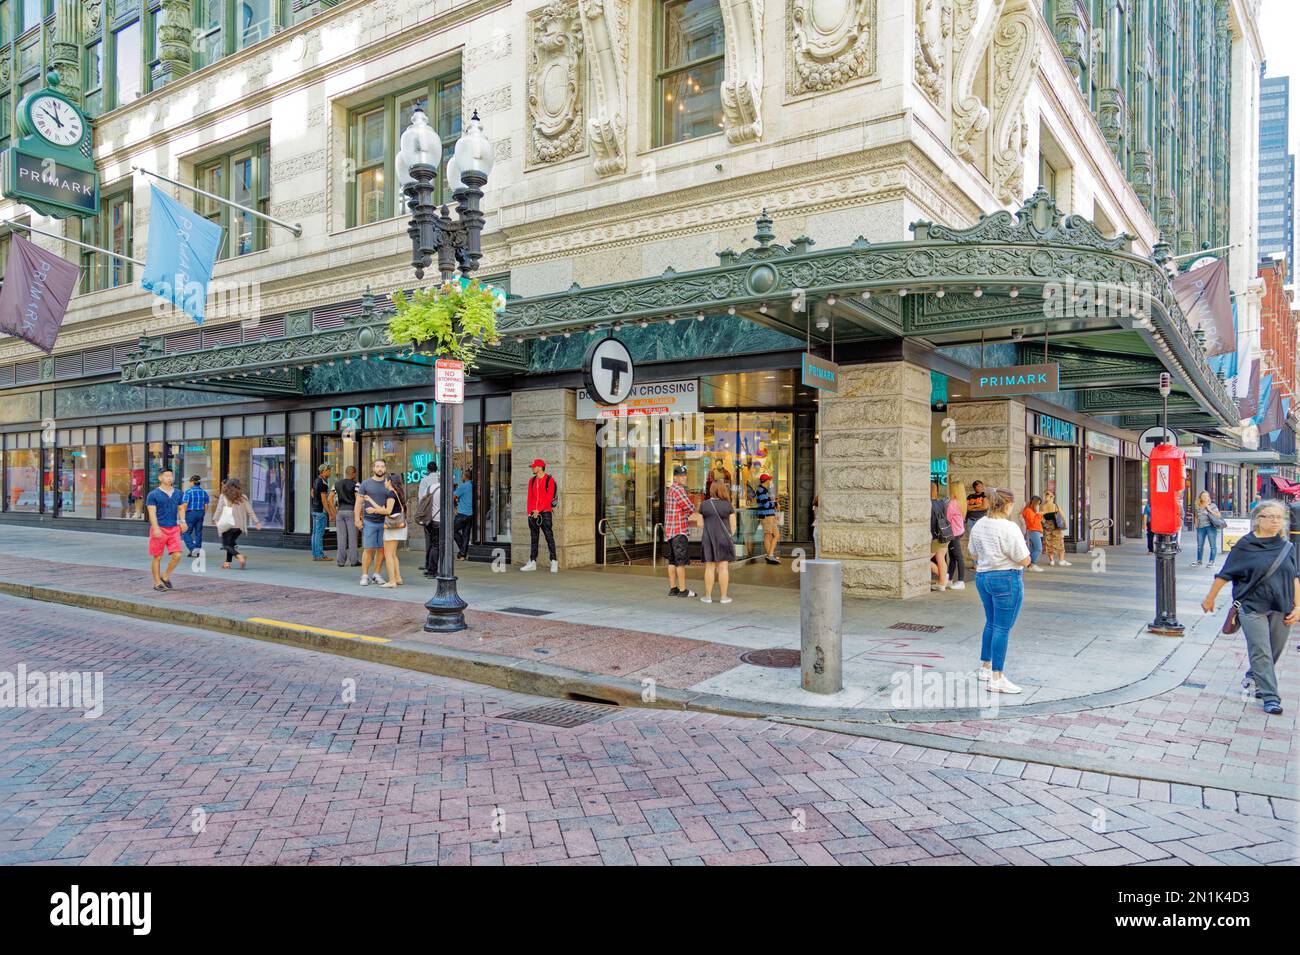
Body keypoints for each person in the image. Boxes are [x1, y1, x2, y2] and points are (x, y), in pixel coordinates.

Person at [1201, 501, 1295, 716]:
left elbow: (1295, 578)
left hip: (1282, 606)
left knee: (1274, 649)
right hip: (1252, 606)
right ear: (1257, 520)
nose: (1274, 521)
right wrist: (1210, 597)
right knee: (1261, 650)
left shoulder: (1287, 547)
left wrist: (1298, 607)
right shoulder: (1245, 545)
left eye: (1278, 517)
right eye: (1268, 516)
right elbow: (1225, 573)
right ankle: (1269, 695)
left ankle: (1255, 676)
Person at [967, 487, 1032, 694]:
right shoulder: (1009, 527)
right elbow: (1024, 559)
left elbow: (974, 555)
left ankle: (985, 667)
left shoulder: (979, 524)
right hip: (1006, 578)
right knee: (1002, 628)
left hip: (983, 577)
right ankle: (997, 677)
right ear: (1008, 504)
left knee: (991, 623)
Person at [146, 468, 186, 592]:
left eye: (171, 476)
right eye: (166, 476)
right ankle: (157, 583)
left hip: (174, 528)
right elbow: (151, 513)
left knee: (177, 555)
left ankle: (165, 576)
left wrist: (183, 521)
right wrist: (156, 528)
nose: (169, 478)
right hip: (159, 528)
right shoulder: (153, 494)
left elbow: (181, 508)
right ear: (160, 478)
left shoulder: (178, 493)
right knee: (157, 556)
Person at [355, 459, 395, 586]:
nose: (380, 469)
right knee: (368, 549)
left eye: (382, 466)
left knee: (382, 550)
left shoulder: (388, 485)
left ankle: (376, 574)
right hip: (369, 522)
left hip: (384, 522)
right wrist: (357, 519)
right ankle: (365, 575)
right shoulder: (365, 484)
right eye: (377, 466)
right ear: (373, 468)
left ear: (385, 469)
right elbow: (358, 503)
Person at [696, 482, 736, 604]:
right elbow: (733, 526)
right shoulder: (728, 505)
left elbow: (699, 524)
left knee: (709, 567)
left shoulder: (704, 505)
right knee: (723, 567)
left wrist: (709, 527)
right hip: (723, 539)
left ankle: (708, 596)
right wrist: (729, 535)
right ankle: (724, 597)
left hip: (708, 538)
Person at [663, 464, 697, 598]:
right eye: (681, 476)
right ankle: (683, 590)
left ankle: (673, 588)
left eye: (684, 476)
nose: (684, 478)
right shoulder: (679, 489)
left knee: (672, 560)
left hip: (670, 531)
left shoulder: (671, 489)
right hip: (679, 530)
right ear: (675, 477)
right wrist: (693, 509)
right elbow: (689, 507)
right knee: (680, 561)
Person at [521, 458, 559, 573]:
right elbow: (530, 498)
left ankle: (554, 561)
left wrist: (539, 509)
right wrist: (530, 512)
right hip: (533, 513)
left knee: (549, 537)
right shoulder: (532, 481)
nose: (532, 468)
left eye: (534, 466)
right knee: (534, 538)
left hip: (545, 512)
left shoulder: (549, 480)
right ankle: (532, 561)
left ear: (540, 467)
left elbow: (548, 498)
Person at [214, 478, 261, 569]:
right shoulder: (243, 497)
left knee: (226, 545)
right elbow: (250, 511)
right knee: (230, 543)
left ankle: (239, 556)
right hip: (239, 527)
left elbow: (219, 509)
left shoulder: (223, 496)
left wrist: (215, 519)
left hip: (228, 525)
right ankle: (227, 563)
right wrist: (257, 522)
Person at [380, 476, 407, 588]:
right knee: (393, 554)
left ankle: (392, 581)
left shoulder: (390, 494)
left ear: (390, 482)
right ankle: (398, 578)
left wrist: (374, 510)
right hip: (399, 526)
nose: (384, 482)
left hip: (392, 528)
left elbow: (388, 511)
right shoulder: (397, 493)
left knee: (388, 555)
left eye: (386, 480)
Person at [416, 460, 441, 578]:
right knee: (438, 544)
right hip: (441, 519)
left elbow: (421, 499)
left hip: (429, 518)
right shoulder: (443, 484)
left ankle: (429, 565)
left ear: (428, 469)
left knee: (430, 543)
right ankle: (435, 568)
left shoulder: (425, 481)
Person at [333, 465, 360, 568]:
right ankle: (354, 561)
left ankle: (340, 561)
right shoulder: (356, 484)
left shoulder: (337, 484)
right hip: (351, 511)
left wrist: (333, 511)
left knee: (341, 537)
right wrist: (359, 514)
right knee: (352, 538)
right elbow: (358, 500)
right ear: (353, 474)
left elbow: (330, 498)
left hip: (340, 512)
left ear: (345, 473)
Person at [945, 481, 968, 591]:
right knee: (953, 557)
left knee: (958, 557)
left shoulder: (953, 503)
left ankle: (960, 581)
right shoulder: (962, 502)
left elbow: (947, 518)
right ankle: (949, 579)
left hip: (953, 533)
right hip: (959, 531)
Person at [181, 475, 210, 557]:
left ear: (192, 482)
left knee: (185, 532)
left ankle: (192, 548)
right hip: (201, 512)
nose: (189, 484)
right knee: (198, 532)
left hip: (190, 513)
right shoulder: (204, 492)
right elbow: (206, 505)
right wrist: (203, 513)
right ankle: (197, 550)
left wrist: (183, 514)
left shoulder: (188, 492)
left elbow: (185, 504)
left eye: (190, 482)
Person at [1040, 491, 1071, 566]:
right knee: (1059, 542)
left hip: (1047, 526)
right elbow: (1062, 515)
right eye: (1052, 496)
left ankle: (1052, 561)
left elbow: (1040, 516)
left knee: (1048, 543)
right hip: (1056, 526)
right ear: (1052, 497)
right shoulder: (1054, 505)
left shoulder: (1042, 506)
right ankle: (1061, 560)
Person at [1193, 490, 1222, 567]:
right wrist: (1196, 525)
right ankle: (1199, 561)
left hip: (1210, 527)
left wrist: (1209, 509)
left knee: (1212, 545)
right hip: (1200, 527)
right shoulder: (1198, 506)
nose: (1205, 497)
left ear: (1209, 497)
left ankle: (1211, 561)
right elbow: (1196, 515)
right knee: (1199, 545)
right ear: (1201, 498)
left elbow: (1218, 515)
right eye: (1203, 496)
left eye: (1207, 496)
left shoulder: (1213, 505)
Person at [930, 483, 951, 591]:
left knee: (923, 560)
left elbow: (931, 522)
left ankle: (943, 578)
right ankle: (942, 583)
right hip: (945, 533)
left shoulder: (928, 504)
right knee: (941, 558)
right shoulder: (942, 502)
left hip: (935, 536)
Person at [755, 473, 780, 565]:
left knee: (775, 535)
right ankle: (770, 555)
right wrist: (775, 504)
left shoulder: (763, 490)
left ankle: (770, 554)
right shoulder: (761, 490)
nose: (770, 481)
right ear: (765, 481)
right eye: (769, 480)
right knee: (768, 535)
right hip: (766, 516)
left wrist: (773, 503)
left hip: (769, 515)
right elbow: (765, 505)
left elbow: (766, 503)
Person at [310, 464, 332, 561]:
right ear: (324, 471)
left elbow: (312, 492)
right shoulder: (323, 483)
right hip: (320, 511)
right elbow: (324, 500)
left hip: (314, 509)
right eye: (328, 470)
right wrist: (330, 513)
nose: (330, 472)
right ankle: (319, 555)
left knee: (315, 533)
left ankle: (315, 554)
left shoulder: (316, 480)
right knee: (319, 533)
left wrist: (316, 499)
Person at [453, 471, 474, 559]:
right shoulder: (472, 485)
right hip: (470, 514)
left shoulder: (463, 486)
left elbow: (453, 496)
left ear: (465, 477)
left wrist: (454, 508)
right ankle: (463, 555)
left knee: (452, 530)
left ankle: (462, 551)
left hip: (462, 514)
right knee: (466, 534)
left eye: (462, 476)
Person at [1022, 496, 1044, 572]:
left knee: (1033, 548)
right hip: (1033, 530)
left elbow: (1035, 521)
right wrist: (1039, 515)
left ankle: (1030, 564)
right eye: (1038, 504)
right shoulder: (1028, 510)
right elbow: (1032, 522)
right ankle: (1032, 564)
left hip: (1035, 530)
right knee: (1038, 548)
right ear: (1034, 503)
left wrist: (1038, 515)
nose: (1038, 506)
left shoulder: (1031, 510)